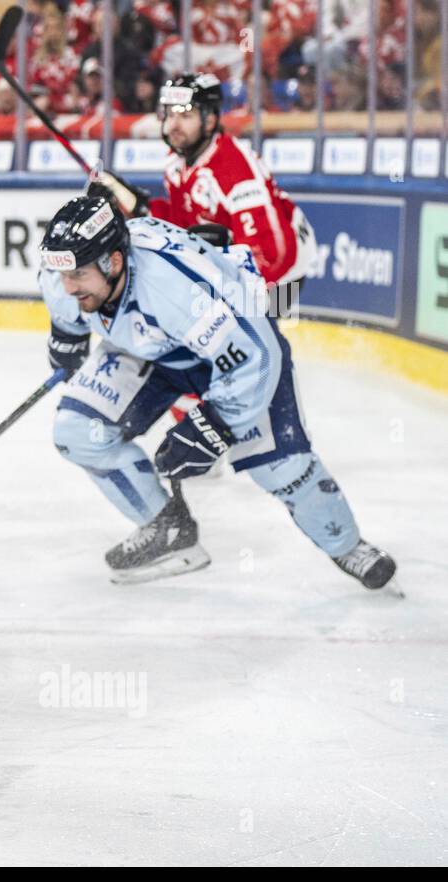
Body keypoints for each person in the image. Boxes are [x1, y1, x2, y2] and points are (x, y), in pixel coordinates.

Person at [37, 195, 397, 591]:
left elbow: (258, 357)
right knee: (78, 431)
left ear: (115, 262)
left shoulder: (177, 289)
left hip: (239, 353)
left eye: (78, 276)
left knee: (280, 468)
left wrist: (215, 426)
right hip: (158, 351)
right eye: (62, 274)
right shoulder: (65, 273)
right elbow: (65, 305)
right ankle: (169, 530)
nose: (67, 286)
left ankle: (346, 545)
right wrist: (66, 339)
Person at [93, 73, 315, 292]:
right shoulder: (177, 161)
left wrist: (230, 292)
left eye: (185, 115)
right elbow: (182, 225)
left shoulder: (234, 169)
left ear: (209, 120)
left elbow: (270, 253)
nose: (173, 125)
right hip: (243, 259)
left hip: (284, 273)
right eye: (170, 114)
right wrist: (137, 205)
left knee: (229, 321)